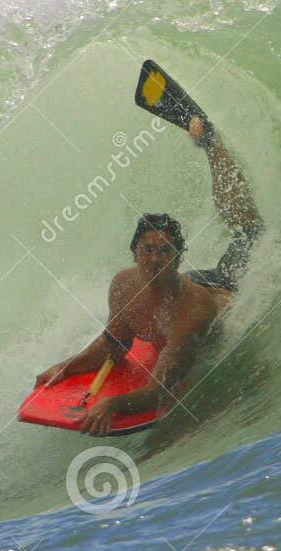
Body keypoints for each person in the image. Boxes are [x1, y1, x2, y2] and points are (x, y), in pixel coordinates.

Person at [34, 113, 263, 435]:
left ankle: (212, 144)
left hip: (218, 288)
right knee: (244, 232)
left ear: (179, 256)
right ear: (134, 253)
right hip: (188, 282)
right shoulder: (124, 284)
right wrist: (67, 368)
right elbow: (114, 344)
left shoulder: (190, 313)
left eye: (165, 251)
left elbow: (159, 392)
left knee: (248, 232)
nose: (155, 259)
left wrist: (111, 404)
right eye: (147, 250)